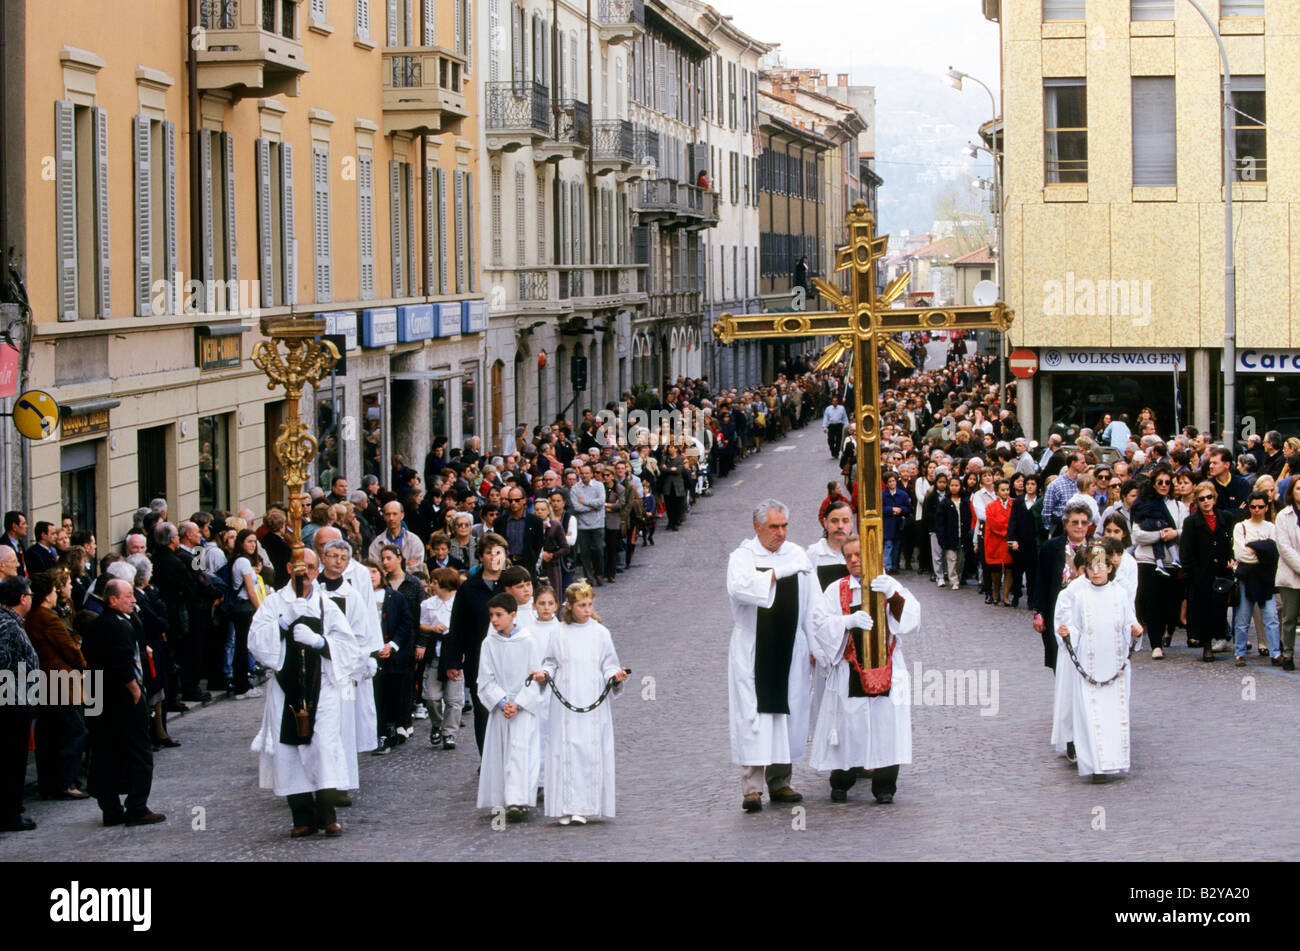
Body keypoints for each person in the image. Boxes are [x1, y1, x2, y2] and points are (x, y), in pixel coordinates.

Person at [248, 550, 362, 838]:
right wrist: (282, 625)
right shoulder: (275, 603)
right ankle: (302, 816)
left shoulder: (326, 604)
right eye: (301, 569)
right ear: (288, 568)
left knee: (323, 748)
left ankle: (327, 815)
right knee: (289, 752)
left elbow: (348, 646)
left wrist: (321, 642)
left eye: (311, 568)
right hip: (287, 688)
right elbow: (256, 643)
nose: (306, 574)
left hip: (321, 687)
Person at [726, 499, 821, 813]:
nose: (780, 533)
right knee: (754, 716)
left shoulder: (797, 554)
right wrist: (778, 573)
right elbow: (741, 589)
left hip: (788, 645)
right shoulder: (742, 557)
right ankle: (752, 788)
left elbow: (811, 603)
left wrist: (816, 644)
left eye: (784, 526)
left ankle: (780, 780)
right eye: (773, 527)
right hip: (754, 646)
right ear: (757, 527)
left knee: (785, 714)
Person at [810, 537, 917, 804]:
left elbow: (912, 619)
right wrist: (846, 621)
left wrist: (892, 595)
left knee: (886, 726)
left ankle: (884, 786)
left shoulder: (888, 583)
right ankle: (841, 782)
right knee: (848, 726)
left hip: (886, 666)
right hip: (850, 669)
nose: (854, 560)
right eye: (849, 556)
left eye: (859, 554)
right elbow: (819, 623)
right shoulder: (837, 589)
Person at [530, 580, 626, 825]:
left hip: (592, 699)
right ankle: (564, 806)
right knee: (565, 749)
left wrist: (615, 677)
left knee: (587, 749)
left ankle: (585, 806)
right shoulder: (558, 632)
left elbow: (609, 664)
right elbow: (550, 661)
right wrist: (544, 673)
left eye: (589, 605)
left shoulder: (601, 633)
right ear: (570, 606)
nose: (586, 609)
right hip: (565, 699)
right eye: (581, 605)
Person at [82, 579, 166, 827]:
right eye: (127, 596)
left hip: (100, 695)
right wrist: (134, 689)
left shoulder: (101, 624)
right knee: (138, 751)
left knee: (105, 752)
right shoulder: (117, 625)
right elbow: (121, 662)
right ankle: (137, 807)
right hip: (121, 698)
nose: (133, 600)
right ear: (112, 600)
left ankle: (111, 809)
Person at [1054, 543, 1141, 783]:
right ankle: (1095, 764)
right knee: (1092, 713)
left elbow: (1129, 620)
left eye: (1100, 566)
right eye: (1091, 567)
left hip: (1113, 664)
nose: (1096, 572)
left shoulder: (1119, 594)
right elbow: (1076, 627)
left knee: (1113, 712)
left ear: (1109, 568)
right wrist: (1067, 632)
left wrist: (1134, 629)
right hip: (1090, 666)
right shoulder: (1080, 596)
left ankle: (1113, 761)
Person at [317, 538, 382, 794]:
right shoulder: (311, 589)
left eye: (343, 558)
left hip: (343, 672)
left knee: (343, 726)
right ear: (323, 557)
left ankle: (340, 784)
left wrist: (360, 661)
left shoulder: (351, 595)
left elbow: (361, 633)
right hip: (316, 667)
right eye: (333, 556)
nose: (337, 562)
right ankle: (316, 782)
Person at [476, 593, 547, 822]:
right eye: (491, 616)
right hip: (501, 708)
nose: (494, 620)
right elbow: (485, 678)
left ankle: (519, 800)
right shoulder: (489, 643)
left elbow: (535, 676)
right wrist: (501, 701)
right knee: (502, 753)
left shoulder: (527, 641)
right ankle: (502, 798)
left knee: (520, 752)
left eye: (499, 615)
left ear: (513, 615)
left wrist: (518, 703)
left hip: (522, 707)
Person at [441, 533, 508, 754]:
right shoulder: (469, 588)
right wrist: (452, 660)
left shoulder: (512, 584)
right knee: (483, 711)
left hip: (510, 656)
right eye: (489, 552)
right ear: (481, 556)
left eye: (498, 552)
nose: (493, 557)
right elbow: (457, 624)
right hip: (478, 658)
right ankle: (487, 758)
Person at [25, 571, 88, 800]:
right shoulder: (48, 618)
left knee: (50, 734)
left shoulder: (31, 617)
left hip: (45, 681)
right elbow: (69, 649)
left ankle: (51, 782)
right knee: (73, 730)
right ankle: (66, 782)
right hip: (62, 682)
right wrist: (82, 663)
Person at [1033, 500, 1094, 676]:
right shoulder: (1051, 548)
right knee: (1060, 663)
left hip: (1089, 612)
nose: (1079, 527)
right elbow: (1041, 581)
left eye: (1084, 522)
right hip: (1059, 612)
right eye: (1074, 522)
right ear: (1066, 524)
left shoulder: (1096, 547)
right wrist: (1039, 613)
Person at [1181, 481, 1235, 661]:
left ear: (1214, 497)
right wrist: (1192, 572)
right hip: (1201, 573)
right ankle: (1206, 645)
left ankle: (1221, 636)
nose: (1206, 501)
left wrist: (1231, 560)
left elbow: (1230, 543)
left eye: (1209, 497)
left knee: (1218, 608)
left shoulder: (1225, 518)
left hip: (1221, 571)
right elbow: (1186, 550)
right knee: (1202, 609)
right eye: (1202, 498)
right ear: (1197, 501)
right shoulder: (1191, 522)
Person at [0, 577, 38, 830]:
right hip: (11, 704)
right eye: (30, 594)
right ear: (22, 599)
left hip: (14, 700)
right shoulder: (8, 626)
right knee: (11, 760)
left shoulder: (10, 622)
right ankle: (9, 813)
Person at [1232, 490, 1281, 667]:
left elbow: (1275, 552)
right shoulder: (1241, 527)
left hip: (1266, 576)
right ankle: (1240, 652)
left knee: (1271, 617)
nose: (1257, 510)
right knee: (1243, 617)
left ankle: (1276, 653)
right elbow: (1240, 554)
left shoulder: (1271, 527)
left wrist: (1253, 547)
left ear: (1266, 507)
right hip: (1247, 575)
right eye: (1253, 507)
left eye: (1261, 507)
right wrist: (1263, 549)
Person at [421, 567, 462, 749]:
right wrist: (431, 628)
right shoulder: (428, 604)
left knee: (453, 699)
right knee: (431, 696)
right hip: (435, 653)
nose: (431, 586)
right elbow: (421, 624)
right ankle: (437, 724)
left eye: (435, 582)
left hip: (452, 653)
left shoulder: (459, 603)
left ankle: (450, 732)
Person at [569, 464, 608, 583]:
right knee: (585, 552)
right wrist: (592, 507)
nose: (584, 475)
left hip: (597, 523)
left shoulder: (599, 485)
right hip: (582, 525)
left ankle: (599, 573)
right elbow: (576, 507)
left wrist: (585, 502)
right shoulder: (575, 488)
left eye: (587, 473)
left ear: (591, 474)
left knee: (598, 549)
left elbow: (601, 502)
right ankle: (588, 577)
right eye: (582, 473)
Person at [984, 478, 1014, 606]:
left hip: (1009, 541)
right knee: (996, 570)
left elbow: (1016, 521)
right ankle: (995, 591)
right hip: (995, 541)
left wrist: (1011, 531)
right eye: (1003, 490)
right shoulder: (991, 506)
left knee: (1009, 568)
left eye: (1007, 489)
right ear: (997, 491)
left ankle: (1006, 595)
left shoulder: (1014, 504)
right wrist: (1008, 530)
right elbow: (993, 524)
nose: (1006, 492)